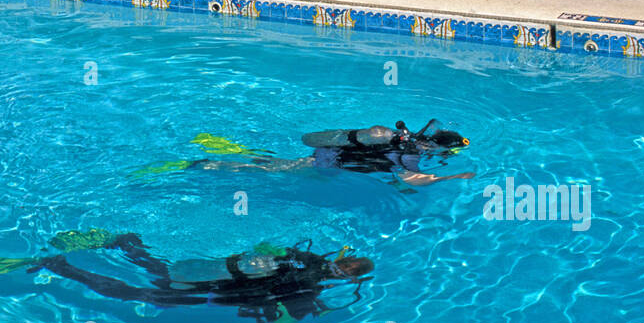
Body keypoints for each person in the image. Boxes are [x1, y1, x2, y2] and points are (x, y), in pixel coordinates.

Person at [0, 230, 374, 323]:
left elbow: (264, 250)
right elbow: (275, 322)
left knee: (157, 271)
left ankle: (126, 242)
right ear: (343, 278)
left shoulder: (303, 259)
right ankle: (61, 266)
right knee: (138, 294)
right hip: (209, 294)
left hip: (207, 275)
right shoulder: (311, 289)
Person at [163, 119, 474, 187]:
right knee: (267, 170)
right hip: (327, 163)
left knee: (275, 160)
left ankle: (230, 147)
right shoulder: (411, 156)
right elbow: (410, 179)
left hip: (328, 150)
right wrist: (450, 176)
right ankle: (202, 165)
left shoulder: (401, 136)